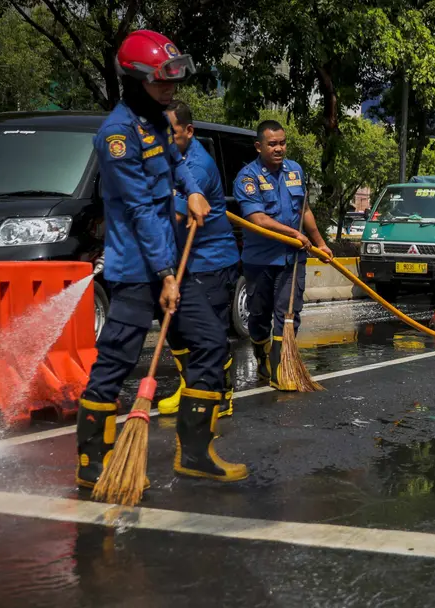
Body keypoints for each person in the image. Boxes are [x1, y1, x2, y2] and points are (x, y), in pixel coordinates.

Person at [76, 29, 247, 489]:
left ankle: (194, 453)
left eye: (173, 82)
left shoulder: (155, 122)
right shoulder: (116, 136)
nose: (170, 89)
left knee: (211, 345)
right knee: (115, 361)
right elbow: (139, 212)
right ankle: (93, 466)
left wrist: (192, 190)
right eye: (160, 82)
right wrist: (167, 274)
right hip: (137, 270)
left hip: (171, 263)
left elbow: (177, 163)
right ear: (134, 81)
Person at [156, 100, 241, 420]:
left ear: (189, 131)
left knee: (211, 333)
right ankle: (189, 386)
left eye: (171, 133)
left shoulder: (197, 167)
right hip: (180, 263)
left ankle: (221, 395)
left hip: (210, 262)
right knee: (176, 329)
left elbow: (170, 218)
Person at [233, 120, 332, 387]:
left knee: (288, 314)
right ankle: (262, 356)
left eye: (282, 143)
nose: (279, 148)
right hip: (260, 261)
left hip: (293, 259)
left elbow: (304, 211)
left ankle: (280, 369)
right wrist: (294, 235)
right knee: (258, 317)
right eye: (272, 144)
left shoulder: (295, 171)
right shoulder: (248, 178)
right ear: (259, 146)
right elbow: (258, 219)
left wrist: (320, 243)